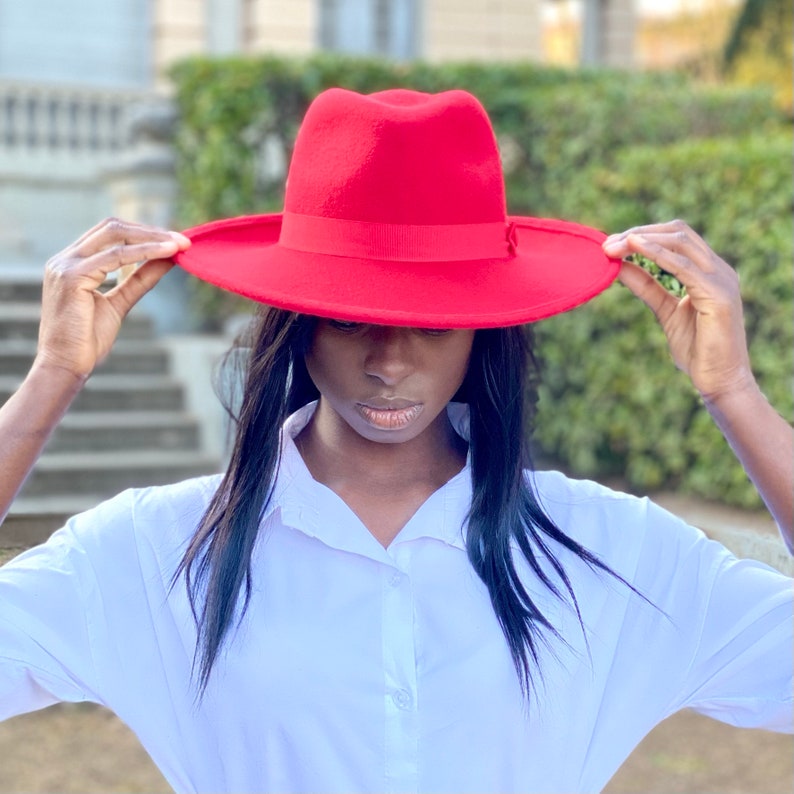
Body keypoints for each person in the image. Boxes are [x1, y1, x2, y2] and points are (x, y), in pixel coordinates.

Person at [0, 88, 791, 794]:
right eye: (350, 315)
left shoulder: (609, 550)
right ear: (298, 320)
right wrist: (52, 378)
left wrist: (734, 394)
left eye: (435, 321)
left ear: (484, 332)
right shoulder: (158, 551)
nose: (389, 362)